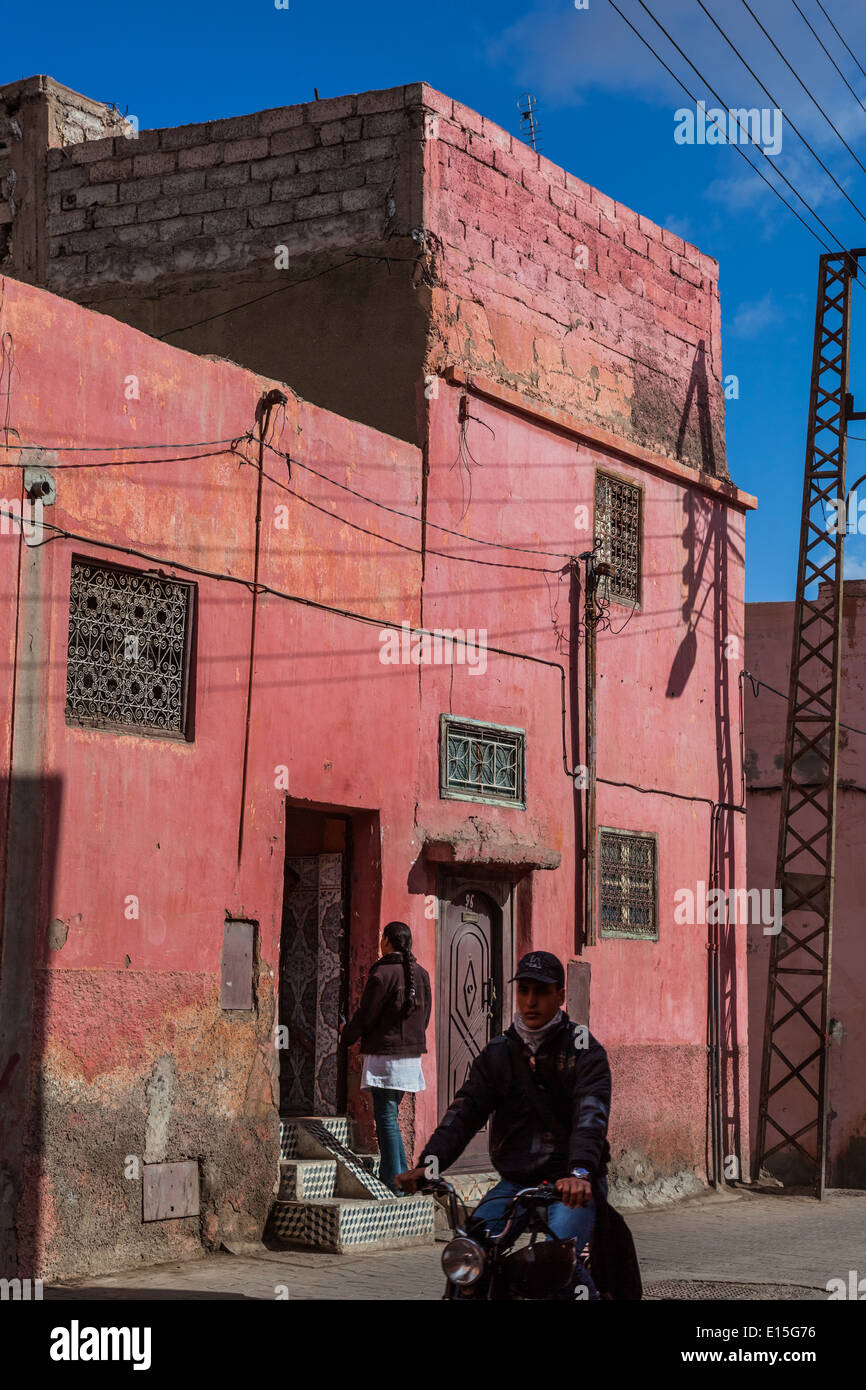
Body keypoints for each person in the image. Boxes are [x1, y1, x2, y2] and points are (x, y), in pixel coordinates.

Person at [397, 949, 612, 1297]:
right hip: (516, 1183)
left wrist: (580, 1174)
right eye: (524, 990)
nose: (530, 1001)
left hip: (569, 1183)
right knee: (469, 1257)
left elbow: (591, 1116)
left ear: (559, 996)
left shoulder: (583, 1050)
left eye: (541, 992)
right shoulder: (499, 1052)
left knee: (561, 1260)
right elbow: (464, 1112)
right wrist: (429, 1165)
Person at [340, 921, 431, 1193]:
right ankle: (401, 1174)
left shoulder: (381, 974)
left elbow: (367, 1015)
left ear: (388, 941)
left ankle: (394, 1180)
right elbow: (423, 1019)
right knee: (390, 1114)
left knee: (386, 1116)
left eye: (383, 939)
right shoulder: (422, 974)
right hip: (410, 1058)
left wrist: (348, 1034)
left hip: (385, 1057)